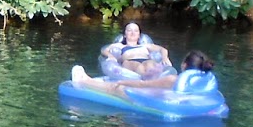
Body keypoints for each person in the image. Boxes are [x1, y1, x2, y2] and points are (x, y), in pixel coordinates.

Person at [73, 50, 215, 97]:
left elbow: (142, 84)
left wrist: (121, 82)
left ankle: (84, 80)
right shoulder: (203, 79)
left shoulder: (173, 79)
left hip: (150, 99)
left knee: (118, 88)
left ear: (184, 65)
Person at [100, 22, 172, 76]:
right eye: (129, 30)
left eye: (136, 31)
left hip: (145, 60)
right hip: (129, 61)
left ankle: (153, 80)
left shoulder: (145, 46)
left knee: (150, 64)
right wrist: (110, 56)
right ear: (124, 34)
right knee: (137, 66)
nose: (133, 33)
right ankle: (147, 80)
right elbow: (104, 50)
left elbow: (162, 49)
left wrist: (165, 58)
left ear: (139, 35)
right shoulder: (120, 46)